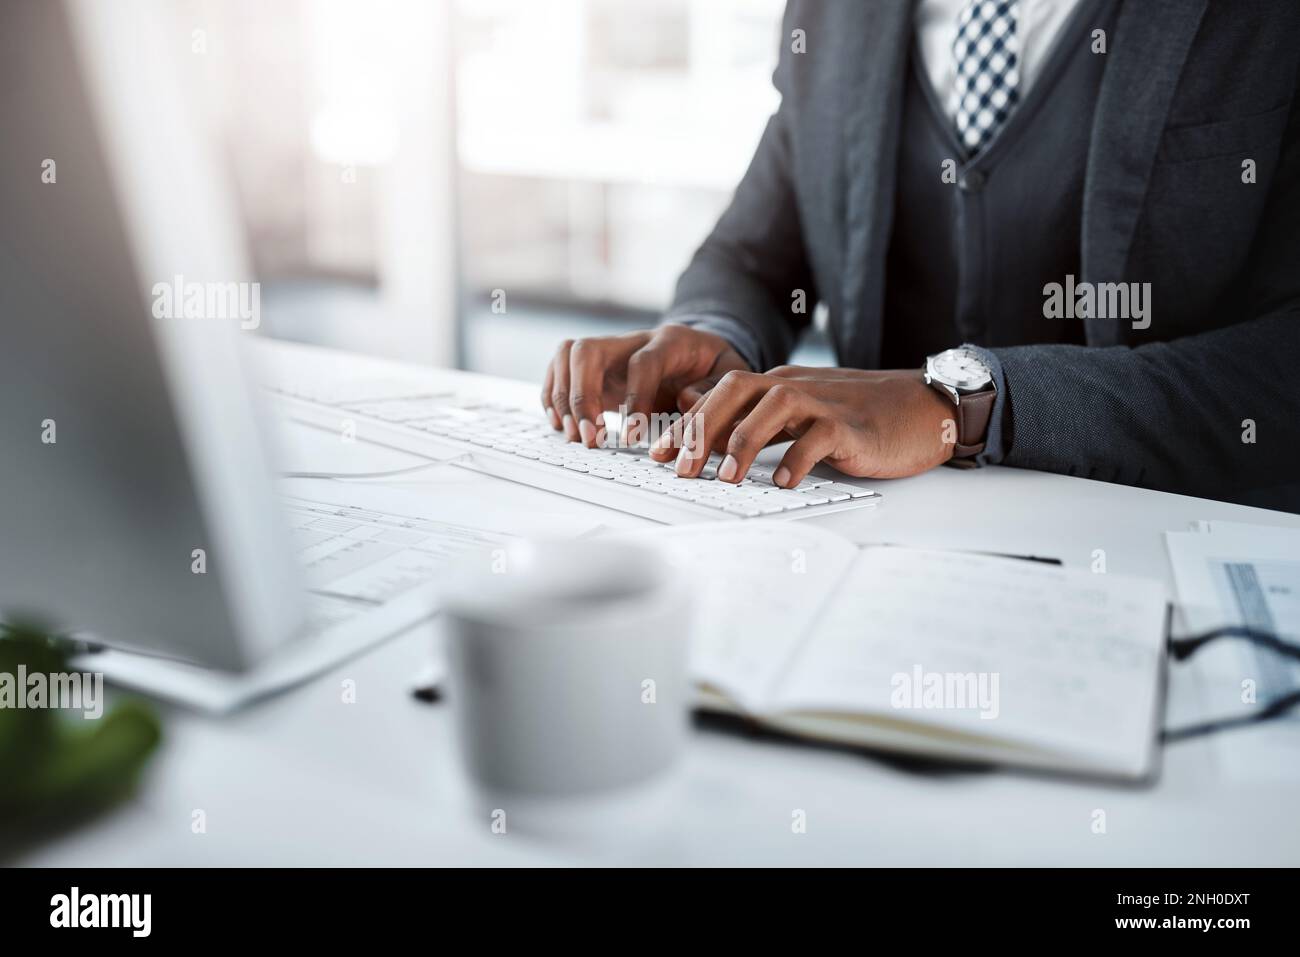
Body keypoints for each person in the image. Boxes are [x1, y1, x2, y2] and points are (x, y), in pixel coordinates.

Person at [541, 0, 1300, 511]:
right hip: (860, 540)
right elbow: (753, 256)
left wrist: (964, 404)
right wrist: (715, 334)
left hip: (1161, 549)